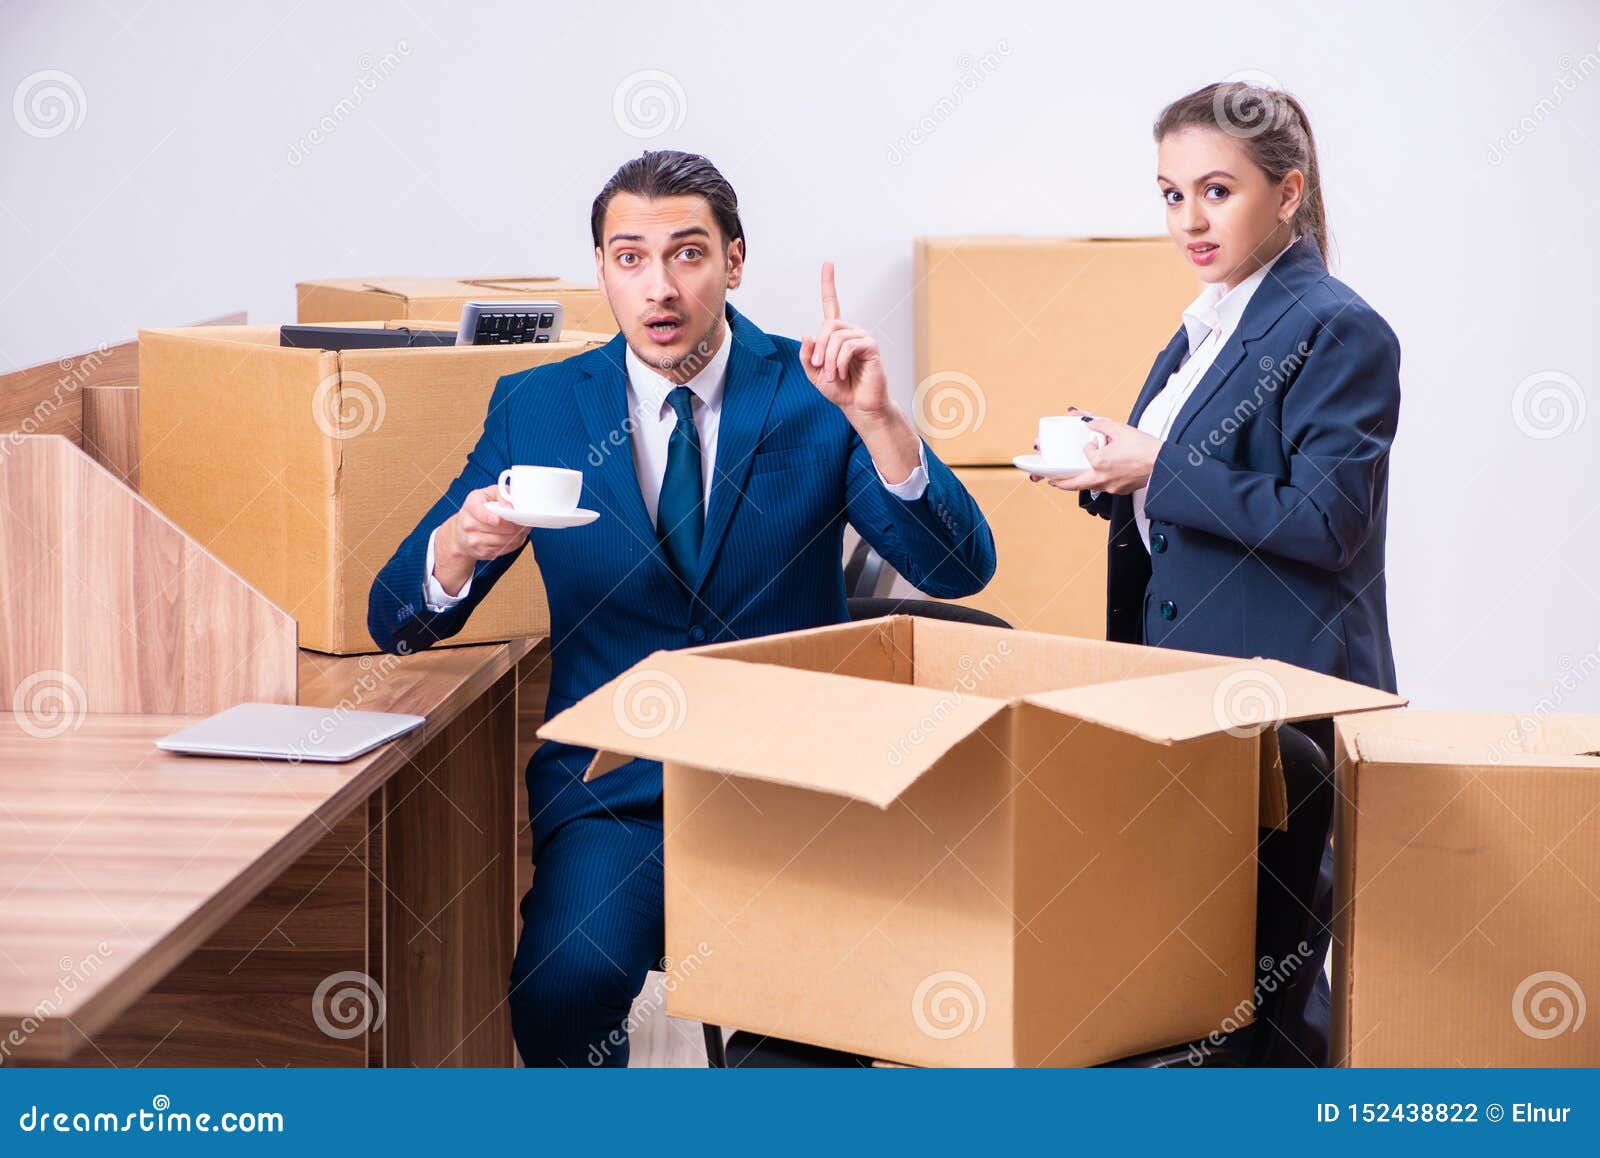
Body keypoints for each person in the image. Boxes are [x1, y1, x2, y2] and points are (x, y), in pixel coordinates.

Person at [367, 149, 997, 1066]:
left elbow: (957, 569)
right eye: (630, 258)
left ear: (734, 262)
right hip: (615, 796)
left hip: (795, 793)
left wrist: (879, 421)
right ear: (603, 273)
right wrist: (459, 546)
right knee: (562, 990)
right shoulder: (538, 407)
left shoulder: (817, 394)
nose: (659, 288)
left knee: (811, 1038)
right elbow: (399, 619)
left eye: (687, 255)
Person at [1030, 82, 1401, 1065]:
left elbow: (1327, 521)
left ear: (1287, 193)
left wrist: (1156, 467)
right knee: (1204, 970)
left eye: (1214, 192)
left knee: (1264, 979)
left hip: (1278, 696)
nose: (1187, 221)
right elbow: (1201, 494)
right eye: (1167, 194)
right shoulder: (1210, 322)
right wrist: (1115, 477)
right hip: (1191, 691)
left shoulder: (1336, 328)